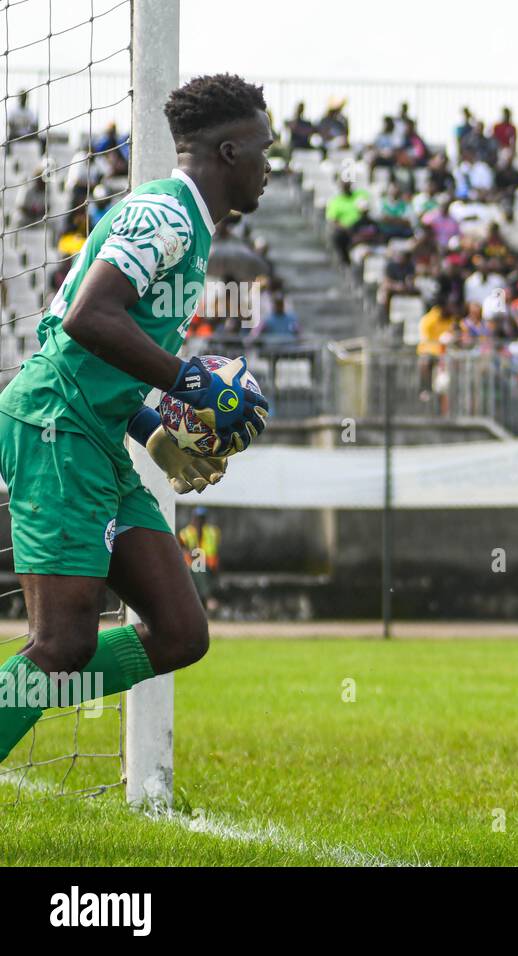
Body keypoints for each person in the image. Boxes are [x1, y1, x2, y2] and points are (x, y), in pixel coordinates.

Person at [0, 73, 272, 762]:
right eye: (265, 150)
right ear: (232, 151)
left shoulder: (190, 227)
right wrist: (191, 383)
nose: (272, 167)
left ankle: (13, 699)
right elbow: (91, 318)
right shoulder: (166, 215)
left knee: (182, 632)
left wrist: (153, 430)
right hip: (56, 425)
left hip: (95, 431)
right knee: (63, 644)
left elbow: (73, 328)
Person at [178, 507, 221, 613]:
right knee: (198, 569)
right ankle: (208, 597)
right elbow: (180, 549)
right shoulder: (186, 533)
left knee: (200, 569)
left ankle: (206, 600)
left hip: (210, 567)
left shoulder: (212, 532)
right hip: (190, 566)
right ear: (193, 519)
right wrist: (188, 553)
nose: (199, 521)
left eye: (202, 518)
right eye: (197, 518)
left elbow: (216, 550)